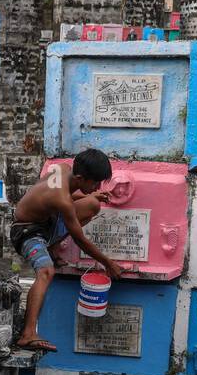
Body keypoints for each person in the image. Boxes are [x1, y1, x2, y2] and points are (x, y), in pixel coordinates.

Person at [10, 148, 124, 352]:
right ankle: (27, 334)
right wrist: (108, 263)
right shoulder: (61, 200)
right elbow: (79, 239)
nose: (97, 186)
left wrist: (92, 194)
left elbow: (68, 193)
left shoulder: (62, 169)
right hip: (27, 232)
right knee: (46, 271)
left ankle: (52, 247)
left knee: (92, 204)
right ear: (81, 177)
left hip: (46, 223)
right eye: (95, 183)